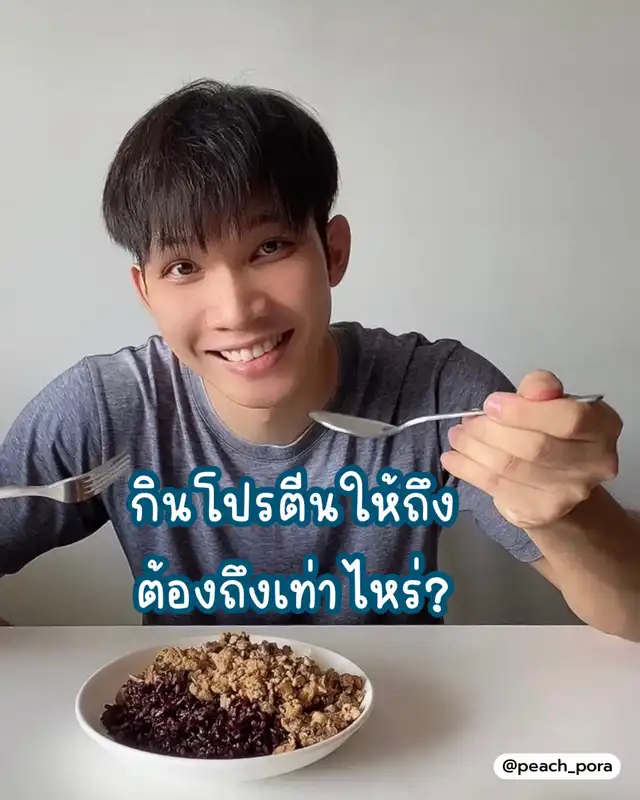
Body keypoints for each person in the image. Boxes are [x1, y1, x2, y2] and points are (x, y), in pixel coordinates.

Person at [0, 79, 638, 637]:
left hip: (406, 717)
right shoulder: (104, 410)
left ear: (332, 251)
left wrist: (567, 511)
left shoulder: (438, 392)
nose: (234, 310)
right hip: (184, 734)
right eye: (184, 267)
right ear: (146, 292)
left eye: (269, 248)